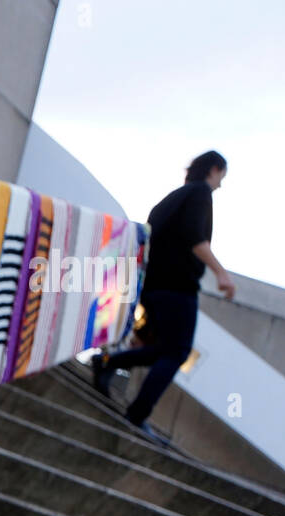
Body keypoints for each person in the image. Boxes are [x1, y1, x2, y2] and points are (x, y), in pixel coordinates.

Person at [92, 150, 235, 439]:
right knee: (177, 352)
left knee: (164, 350)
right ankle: (138, 413)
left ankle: (107, 362)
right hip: (177, 288)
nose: (221, 183)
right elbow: (196, 240)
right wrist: (221, 273)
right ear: (214, 169)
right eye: (222, 176)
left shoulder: (175, 197)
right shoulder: (199, 194)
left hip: (153, 286)